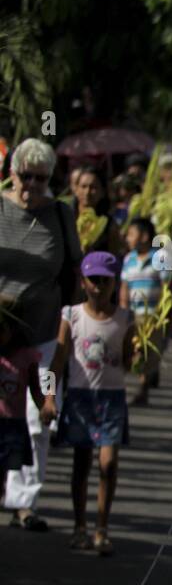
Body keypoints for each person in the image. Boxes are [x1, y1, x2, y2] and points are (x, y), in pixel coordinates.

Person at [0, 138, 82, 531]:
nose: (30, 185)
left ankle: (23, 500)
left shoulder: (60, 215)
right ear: (11, 173)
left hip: (44, 334)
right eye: (24, 176)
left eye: (40, 178)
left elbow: (72, 275)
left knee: (39, 418)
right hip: (1, 336)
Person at [44, 252, 137, 555]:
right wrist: (48, 397)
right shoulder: (70, 315)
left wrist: (142, 354)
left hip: (111, 399)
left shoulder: (125, 318)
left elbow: (129, 361)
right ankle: (80, 526)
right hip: (80, 397)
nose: (98, 286)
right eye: (93, 280)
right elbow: (56, 361)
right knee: (82, 464)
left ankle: (102, 527)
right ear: (83, 282)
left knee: (108, 463)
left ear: (114, 283)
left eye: (104, 281)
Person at [0, 298, 55, 506]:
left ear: (13, 329)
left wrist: (47, 403)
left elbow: (45, 378)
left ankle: (19, 504)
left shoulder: (27, 357)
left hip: (12, 425)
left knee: (5, 473)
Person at [119, 217, 172, 405]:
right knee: (135, 351)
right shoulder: (128, 259)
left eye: (131, 234)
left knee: (148, 352)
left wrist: (164, 311)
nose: (127, 238)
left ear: (144, 236)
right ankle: (142, 382)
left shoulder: (160, 257)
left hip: (152, 316)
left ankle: (143, 389)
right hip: (134, 315)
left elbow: (167, 286)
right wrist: (124, 310)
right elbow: (124, 287)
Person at [70, 166, 127, 258]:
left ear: (102, 192)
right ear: (76, 189)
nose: (87, 192)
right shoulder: (65, 217)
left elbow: (112, 258)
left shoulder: (109, 225)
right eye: (83, 186)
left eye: (93, 187)